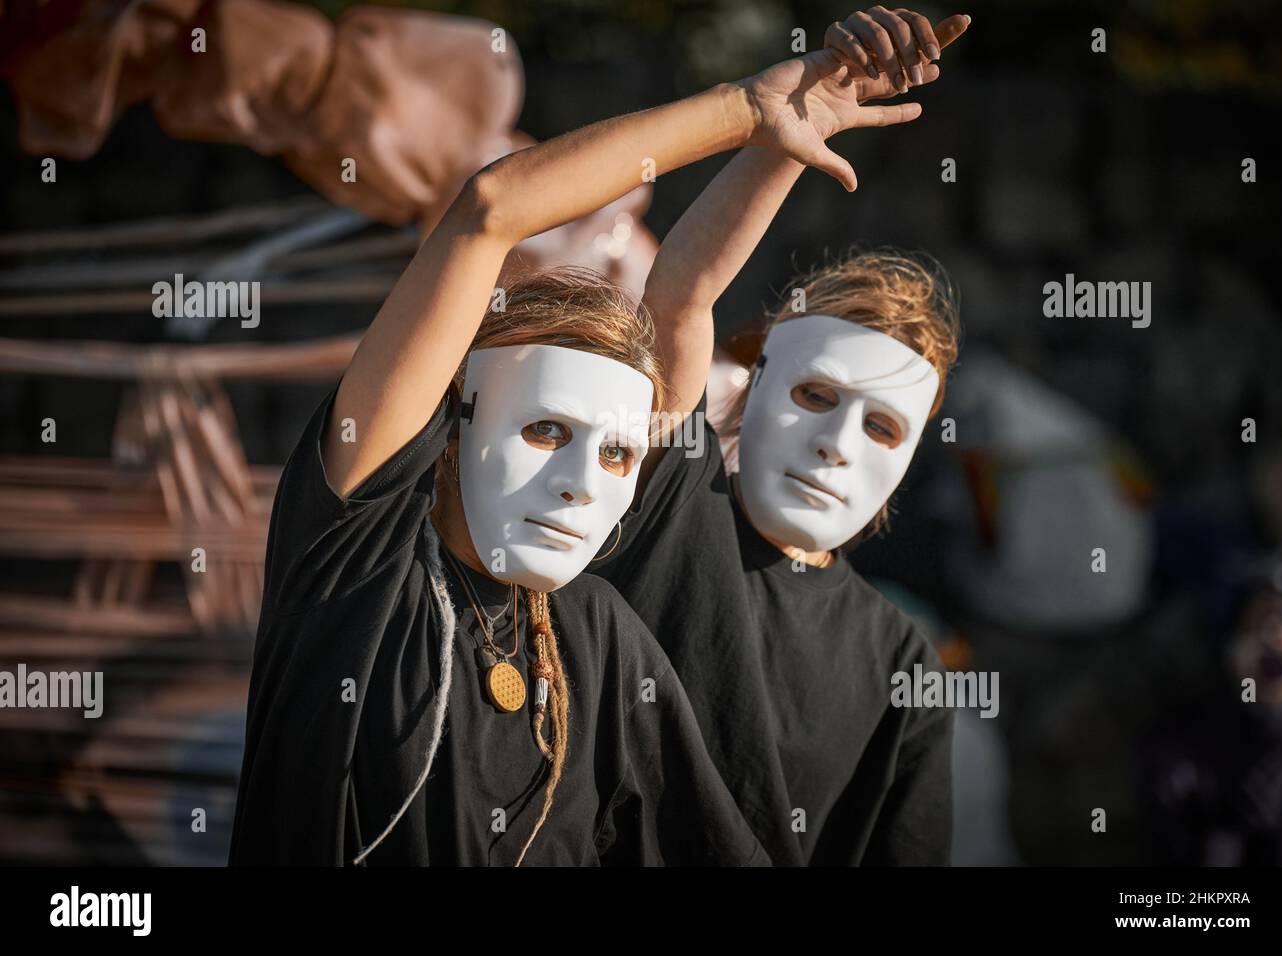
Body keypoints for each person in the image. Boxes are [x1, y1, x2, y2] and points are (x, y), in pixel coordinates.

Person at [228, 15, 929, 866]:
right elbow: (490, 216)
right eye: (545, 429)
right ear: (451, 427)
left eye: (617, 454)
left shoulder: (595, 641)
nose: (578, 484)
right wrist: (746, 109)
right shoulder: (358, 557)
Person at [590, 9, 971, 865]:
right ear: (753, 389)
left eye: (881, 424)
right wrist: (785, 126)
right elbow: (681, 293)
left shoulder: (903, 661)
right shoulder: (669, 505)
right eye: (815, 393)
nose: (838, 442)